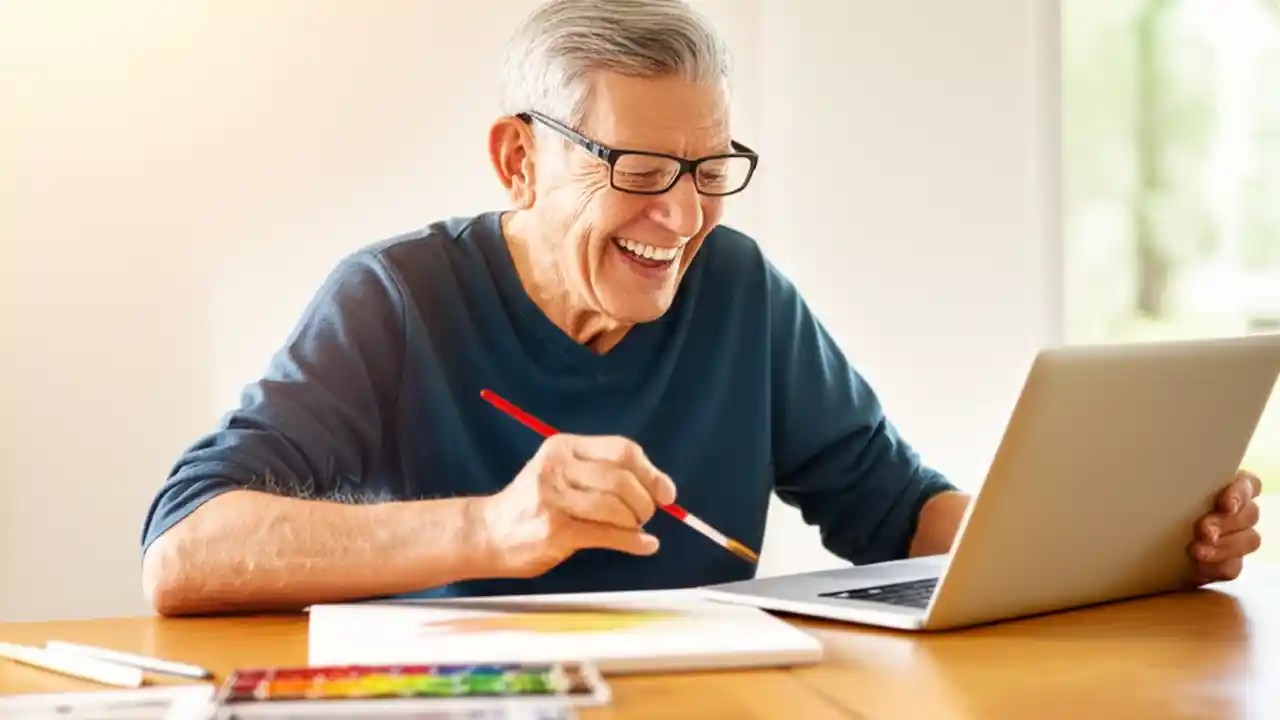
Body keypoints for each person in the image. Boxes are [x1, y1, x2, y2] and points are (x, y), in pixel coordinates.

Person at [139, 0, 1264, 617]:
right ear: (516, 161)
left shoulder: (739, 291)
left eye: (708, 167)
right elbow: (183, 550)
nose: (678, 217)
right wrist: (489, 528)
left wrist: (1124, 541)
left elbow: (897, 514)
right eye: (634, 166)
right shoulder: (393, 298)